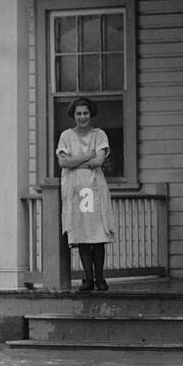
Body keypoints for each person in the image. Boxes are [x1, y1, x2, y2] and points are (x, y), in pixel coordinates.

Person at [57, 96, 116, 292]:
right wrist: (88, 156)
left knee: (97, 234)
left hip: (93, 188)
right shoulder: (66, 135)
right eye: (78, 114)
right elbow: (63, 163)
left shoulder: (99, 135)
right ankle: (89, 279)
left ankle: (100, 279)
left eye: (85, 113)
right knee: (82, 234)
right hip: (76, 189)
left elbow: (99, 161)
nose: (82, 117)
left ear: (91, 115)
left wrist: (77, 161)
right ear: (73, 116)